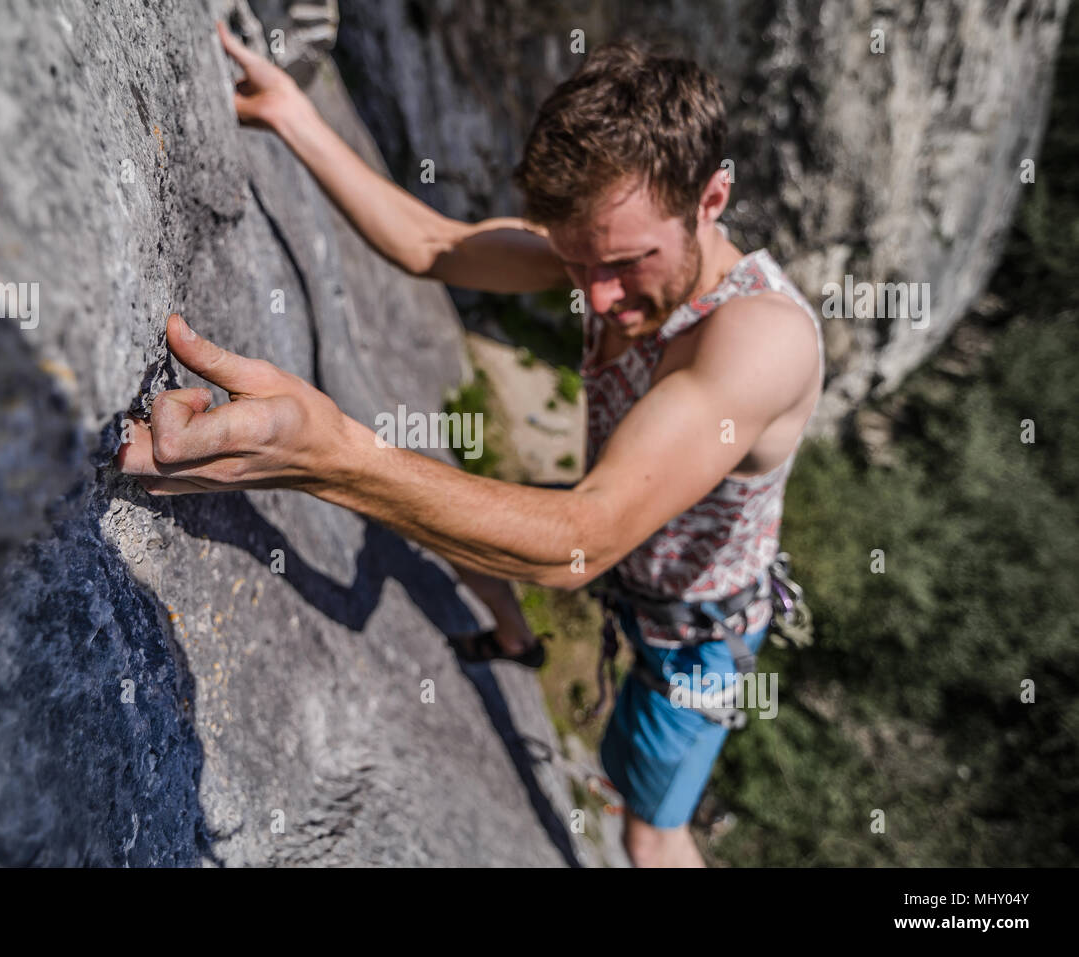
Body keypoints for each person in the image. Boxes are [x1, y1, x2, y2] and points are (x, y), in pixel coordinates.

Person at [117, 22, 825, 867]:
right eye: (573, 264)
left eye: (626, 265)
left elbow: (579, 542)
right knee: (444, 511)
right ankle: (516, 641)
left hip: (701, 628)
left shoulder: (758, 342)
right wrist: (295, 115)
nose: (596, 300)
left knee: (649, 826)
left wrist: (332, 457)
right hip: (628, 549)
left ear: (711, 199)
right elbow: (433, 247)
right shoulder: (605, 250)